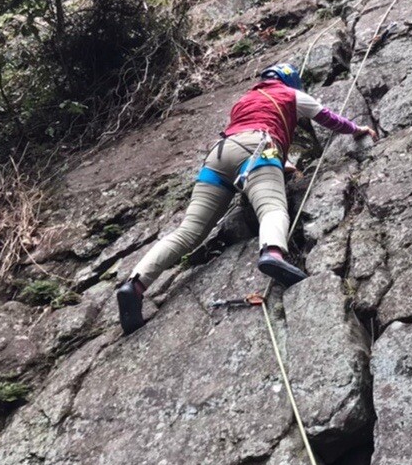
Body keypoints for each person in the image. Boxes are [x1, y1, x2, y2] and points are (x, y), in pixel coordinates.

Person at [115, 61, 377, 333]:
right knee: (272, 208)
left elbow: (248, 129)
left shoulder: (243, 101)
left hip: (219, 155)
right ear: (291, 81)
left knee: (189, 231)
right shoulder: (292, 95)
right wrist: (356, 129)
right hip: (259, 148)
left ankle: (134, 284)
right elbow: (327, 118)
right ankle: (273, 254)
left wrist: (282, 162)